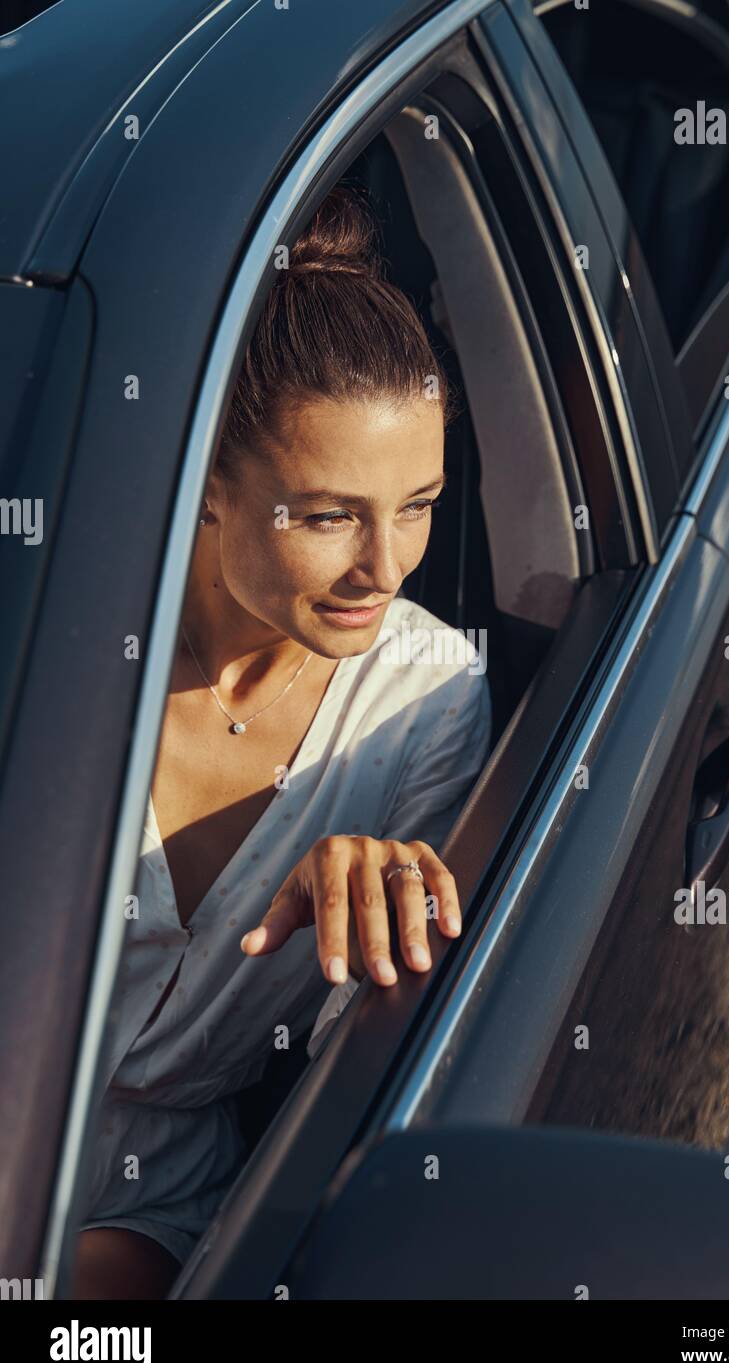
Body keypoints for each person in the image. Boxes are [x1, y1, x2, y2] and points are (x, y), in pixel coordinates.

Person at [71, 185, 491, 1299]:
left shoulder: (428, 697)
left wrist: (373, 900)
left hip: (143, 1195)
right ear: (209, 482)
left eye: (418, 503)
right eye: (325, 515)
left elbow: (375, 1059)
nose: (386, 569)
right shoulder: (66, 619)